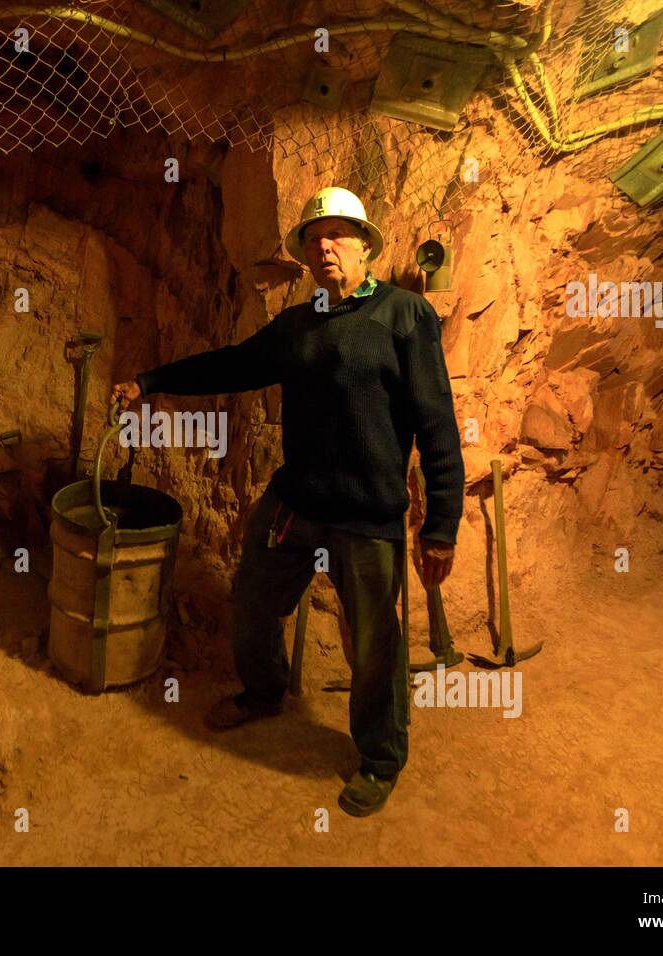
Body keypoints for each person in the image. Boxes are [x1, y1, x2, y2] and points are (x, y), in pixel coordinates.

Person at [110, 187, 464, 817]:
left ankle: (380, 759)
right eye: (313, 237)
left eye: (338, 234)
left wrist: (441, 525)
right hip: (296, 502)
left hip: (368, 515)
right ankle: (265, 692)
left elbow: (437, 426)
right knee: (251, 600)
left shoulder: (406, 317)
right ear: (304, 254)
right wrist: (151, 381)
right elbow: (234, 364)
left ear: (365, 246)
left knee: (375, 643)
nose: (325, 245)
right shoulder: (298, 327)